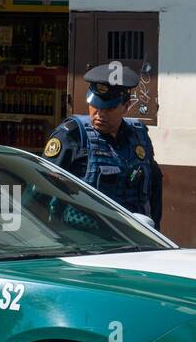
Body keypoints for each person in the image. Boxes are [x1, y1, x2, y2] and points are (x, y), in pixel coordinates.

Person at [42, 63, 162, 227]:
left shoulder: (139, 136)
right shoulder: (72, 135)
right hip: (81, 237)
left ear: (126, 106)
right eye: (95, 106)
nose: (99, 114)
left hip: (131, 235)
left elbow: (153, 186)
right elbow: (42, 186)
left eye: (108, 108)